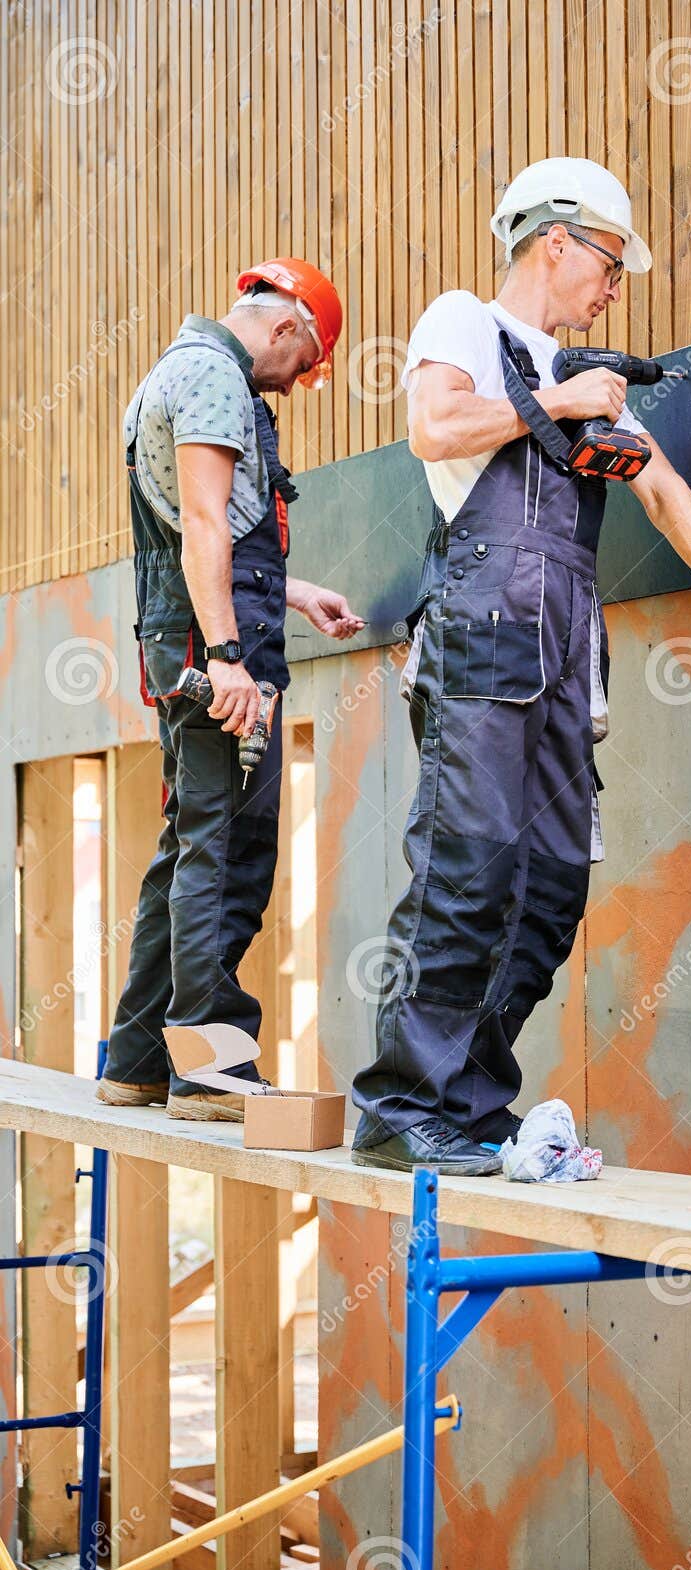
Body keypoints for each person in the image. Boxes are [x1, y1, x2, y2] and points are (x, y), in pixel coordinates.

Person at [350, 158, 691, 1174]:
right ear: (554, 241)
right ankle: (399, 1105)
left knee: (548, 887)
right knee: (466, 871)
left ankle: (466, 1102)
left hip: (561, 648)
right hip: (482, 633)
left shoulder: (582, 381)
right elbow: (434, 427)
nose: (614, 287)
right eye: (609, 262)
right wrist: (555, 402)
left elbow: (662, 489)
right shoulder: (466, 322)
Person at [98, 259, 363, 1122]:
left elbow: (201, 529)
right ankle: (208, 1068)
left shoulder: (175, 369)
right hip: (213, 647)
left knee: (190, 842)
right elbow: (207, 523)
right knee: (228, 847)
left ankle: (139, 1059)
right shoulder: (215, 376)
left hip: (191, 632)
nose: (291, 384)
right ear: (285, 327)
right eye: (302, 365)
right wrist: (225, 656)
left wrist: (294, 591)